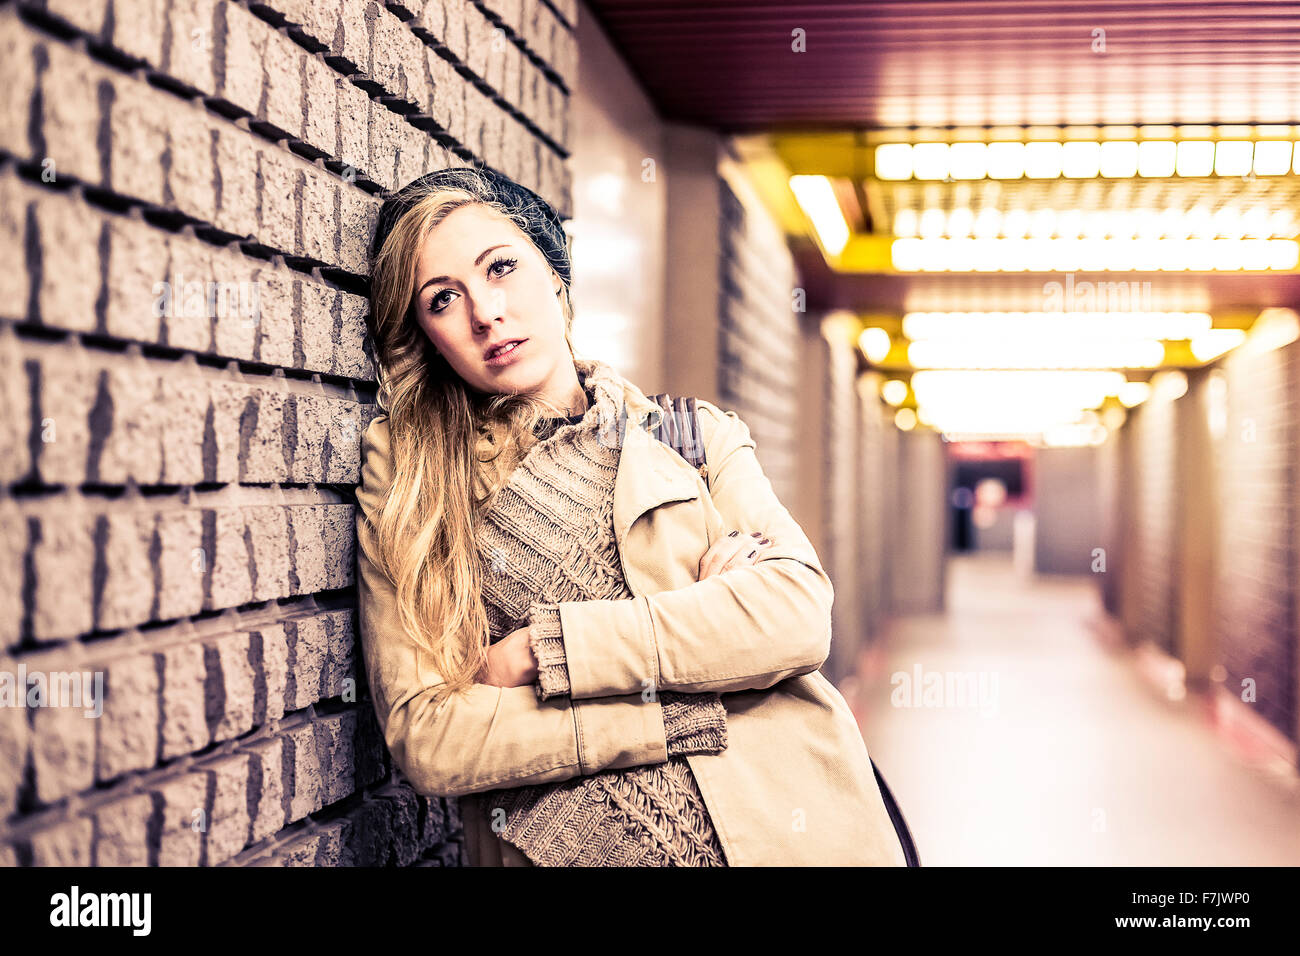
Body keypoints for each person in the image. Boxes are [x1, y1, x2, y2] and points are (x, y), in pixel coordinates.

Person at [356, 164, 907, 866]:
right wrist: (689, 682)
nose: (485, 313)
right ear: (426, 333)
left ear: (555, 275)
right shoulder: (415, 478)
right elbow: (431, 738)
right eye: (442, 300)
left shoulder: (695, 437)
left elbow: (796, 617)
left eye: (501, 268)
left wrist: (544, 652)